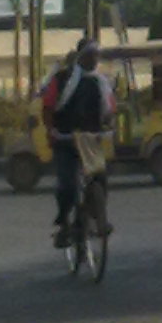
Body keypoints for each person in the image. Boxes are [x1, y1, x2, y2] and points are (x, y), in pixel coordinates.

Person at [40, 39, 117, 244]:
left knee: (100, 178)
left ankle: (96, 217)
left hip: (91, 140)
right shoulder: (62, 79)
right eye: (90, 55)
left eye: (96, 55)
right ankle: (64, 223)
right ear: (80, 56)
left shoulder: (101, 83)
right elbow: (48, 107)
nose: (94, 59)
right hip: (65, 138)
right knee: (68, 185)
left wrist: (109, 127)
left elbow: (109, 111)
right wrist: (51, 131)